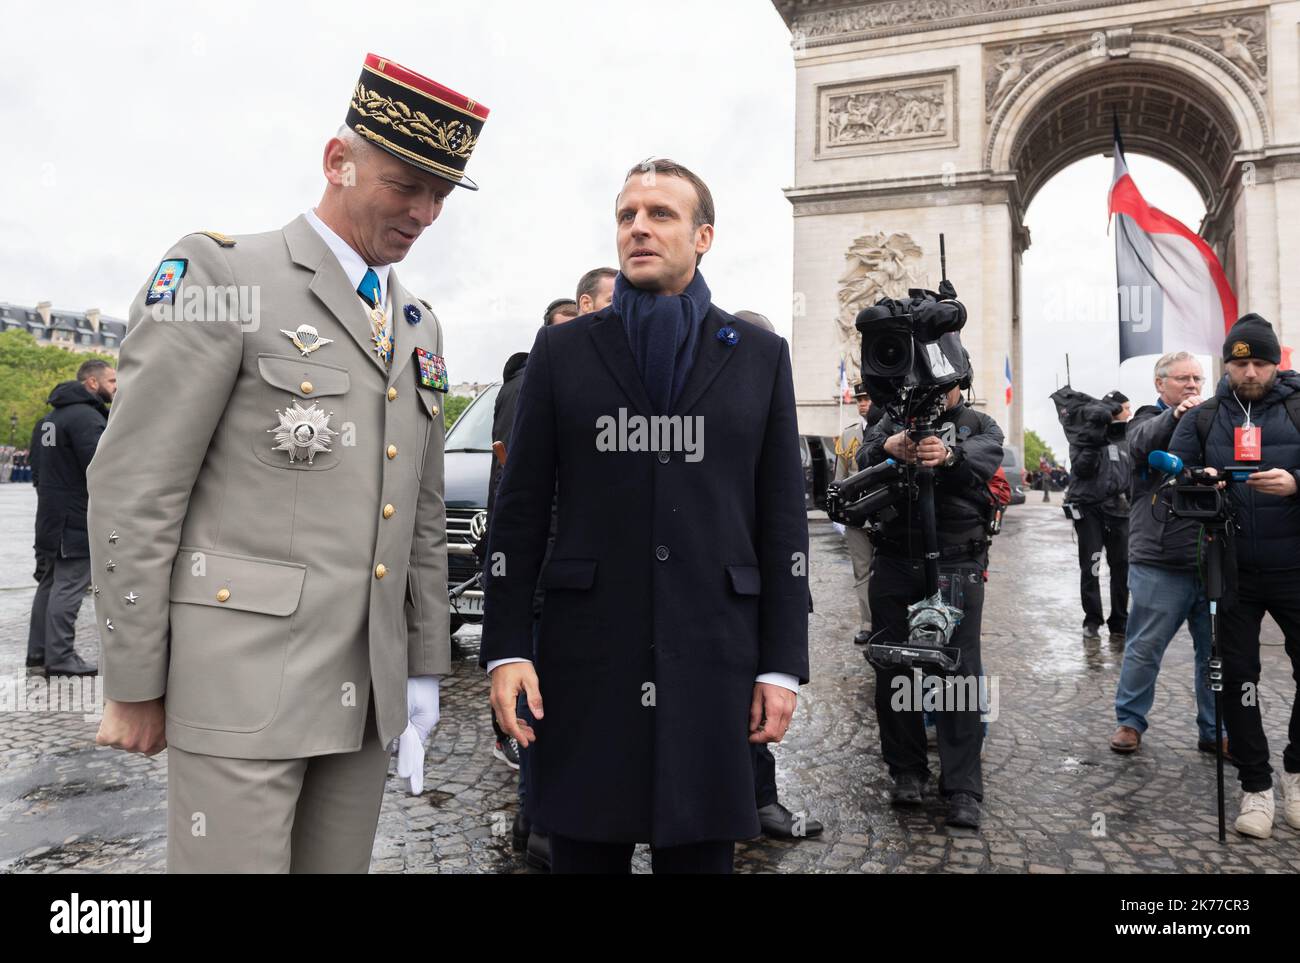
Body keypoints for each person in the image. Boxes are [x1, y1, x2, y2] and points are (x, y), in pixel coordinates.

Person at [87, 54, 488, 872]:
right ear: (337, 162)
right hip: (240, 681)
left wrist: (422, 664)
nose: (424, 211)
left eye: (440, 194)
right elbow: (137, 484)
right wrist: (132, 678)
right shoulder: (223, 274)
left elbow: (417, 510)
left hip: (366, 691)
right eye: (405, 184)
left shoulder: (417, 323)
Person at [482, 158, 809, 873]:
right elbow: (520, 510)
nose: (639, 227)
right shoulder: (561, 350)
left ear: (704, 236)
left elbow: (783, 521)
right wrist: (507, 646)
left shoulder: (760, 355)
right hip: (585, 660)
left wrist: (783, 665)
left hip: (713, 661)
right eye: (627, 214)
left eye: (660, 214)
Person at [1169, 314, 1300, 839]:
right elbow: (1170, 471)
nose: (1250, 372)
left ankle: (1296, 769)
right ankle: (1256, 785)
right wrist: (1196, 478)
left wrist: (1295, 483)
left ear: (1276, 363)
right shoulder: (1203, 417)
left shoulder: (1297, 406)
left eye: (1260, 363)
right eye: (1240, 363)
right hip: (1230, 568)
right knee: (1238, 680)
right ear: (1228, 364)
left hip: (1295, 566)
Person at [858, 375, 1004, 830]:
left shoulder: (980, 423)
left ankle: (962, 787)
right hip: (896, 559)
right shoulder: (887, 421)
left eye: (942, 385)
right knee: (893, 667)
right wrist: (889, 447)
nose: (931, 393)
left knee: (958, 671)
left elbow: (985, 460)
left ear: (961, 382)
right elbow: (862, 459)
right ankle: (906, 771)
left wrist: (950, 455)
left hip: (957, 563)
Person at [1111, 352, 1224, 755]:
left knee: (1214, 652)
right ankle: (1129, 722)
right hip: (1159, 558)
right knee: (1144, 647)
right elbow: (1140, 444)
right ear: (1161, 385)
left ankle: (1216, 730)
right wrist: (1176, 416)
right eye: (1183, 379)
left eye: (1198, 378)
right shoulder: (1145, 418)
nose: (1193, 385)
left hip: (1211, 554)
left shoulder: (1215, 420)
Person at [26, 360, 116, 677]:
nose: (116, 386)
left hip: (50, 515)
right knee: (69, 586)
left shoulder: (48, 419)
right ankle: (61, 657)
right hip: (75, 517)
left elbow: (36, 471)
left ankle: (38, 655)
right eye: (111, 380)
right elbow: (101, 468)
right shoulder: (87, 418)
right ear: (92, 383)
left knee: (50, 584)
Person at [1066, 389, 1132, 642]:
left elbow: (1130, 478)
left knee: (1121, 567)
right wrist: (1095, 440)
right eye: (1126, 408)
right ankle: (1092, 619)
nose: (1130, 413)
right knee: (1091, 566)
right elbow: (1082, 469)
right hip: (1090, 511)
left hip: (1120, 511)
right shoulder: (1084, 435)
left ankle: (1120, 621)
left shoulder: (1126, 438)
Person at [835, 383, 876, 646]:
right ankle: (868, 623)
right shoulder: (849, 435)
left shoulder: (891, 430)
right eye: (860, 399)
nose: (863, 404)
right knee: (862, 571)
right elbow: (840, 478)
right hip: (857, 515)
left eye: (868, 398)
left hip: (887, 515)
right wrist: (838, 513)